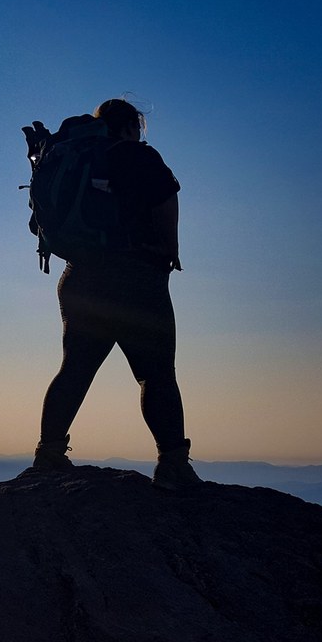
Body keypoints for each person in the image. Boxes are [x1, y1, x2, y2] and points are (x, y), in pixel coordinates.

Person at [30, 99, 202, 490]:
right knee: (155, 375)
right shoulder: (139, 157)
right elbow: (165, 206)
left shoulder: (74, 160)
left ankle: (49, 453)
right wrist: (167, 256)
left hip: (81, 278)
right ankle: (173, 464)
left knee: (74, 369)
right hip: (136, 279)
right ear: (130, 127)